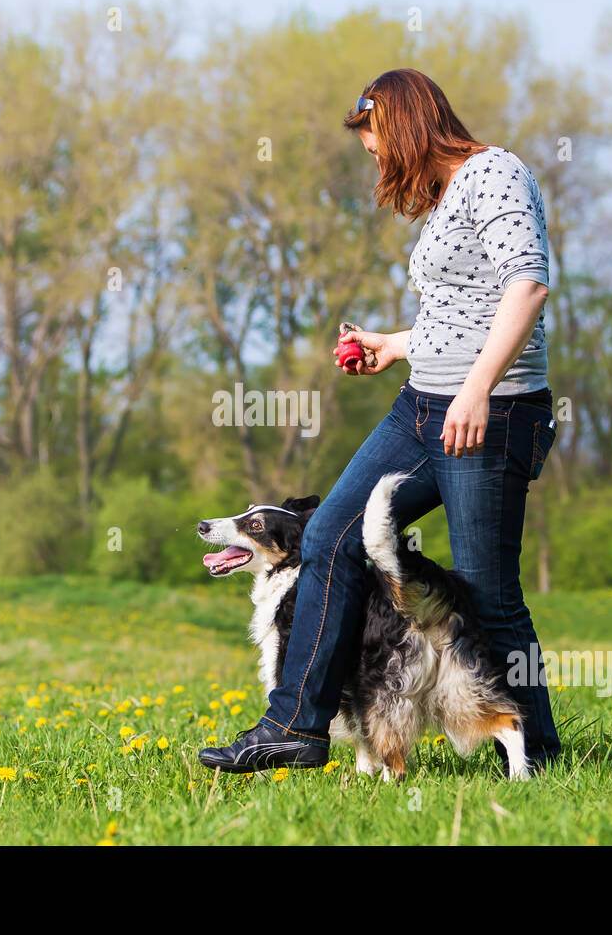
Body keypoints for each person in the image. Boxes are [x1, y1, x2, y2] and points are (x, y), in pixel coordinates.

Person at [199, 68, 560, 776]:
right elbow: (459, 312)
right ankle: (295, 727)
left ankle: (538, 751)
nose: (373, 158)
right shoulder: (448, 195)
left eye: (373, 142)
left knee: (487, 591)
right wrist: (393, 346)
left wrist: (478, 387)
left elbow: (528, 280)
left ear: (403, 126)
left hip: (490, 412)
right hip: (423, 403)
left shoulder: (496, 173)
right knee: (330, 533)